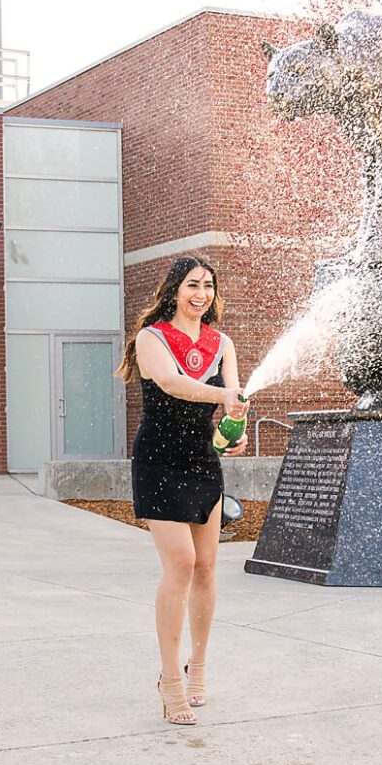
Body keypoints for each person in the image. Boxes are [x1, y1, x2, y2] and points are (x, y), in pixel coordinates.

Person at [116, 255, 247, 725]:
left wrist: (235, 431)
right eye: (192, 284)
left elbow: (231, 407)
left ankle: (199, 668)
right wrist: (225, 398)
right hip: (158, 460)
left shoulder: (222, 343)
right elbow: (173, 384)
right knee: (182, 564)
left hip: (200, 460)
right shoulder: (150, 339)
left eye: (208, 286)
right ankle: (169, 679)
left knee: (208, 569)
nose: (201, 293)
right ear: (174, 290)